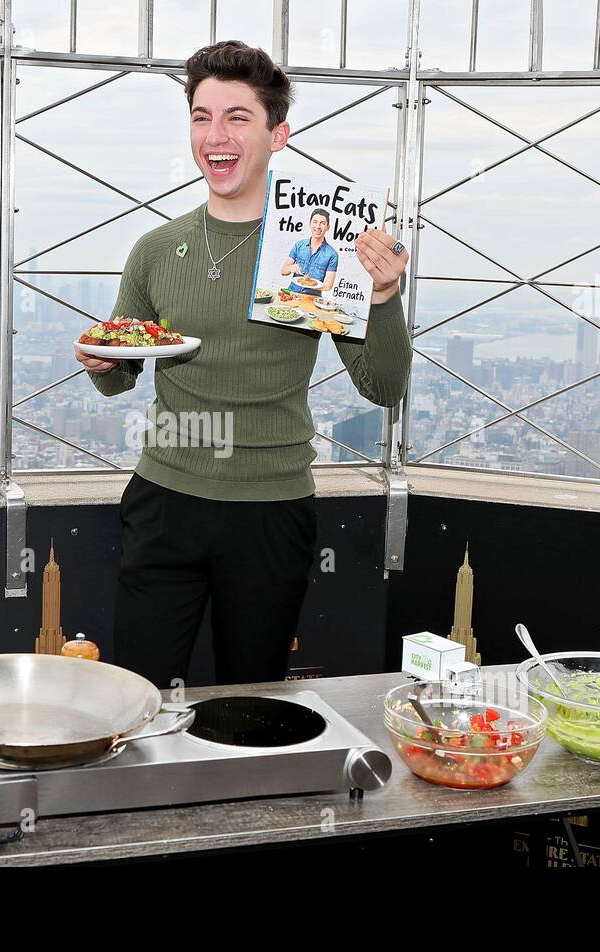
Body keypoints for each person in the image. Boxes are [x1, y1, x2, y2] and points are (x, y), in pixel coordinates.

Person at [74, 40, 412, 688]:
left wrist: (386, 297)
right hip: (164, 497)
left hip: (271, 509)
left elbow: (382, 385)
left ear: (277, 134)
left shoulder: (324, 252)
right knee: (137, 697)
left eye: (237, 117)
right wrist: (100, 359)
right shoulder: (155, 248)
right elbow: (119, 379)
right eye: (202, 117)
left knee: (252, 699)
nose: (215, 135)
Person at [281, 208, 338, 297]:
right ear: (310, 224)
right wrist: (291, 268)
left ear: (327, 227)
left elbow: (328, 285)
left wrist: (310, 284)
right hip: (292, 294)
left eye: (322, 223)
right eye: (315, 222)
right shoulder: (298, 245)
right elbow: (283, 271)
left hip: (312, 298)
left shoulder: (332, 255)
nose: (318, 226)